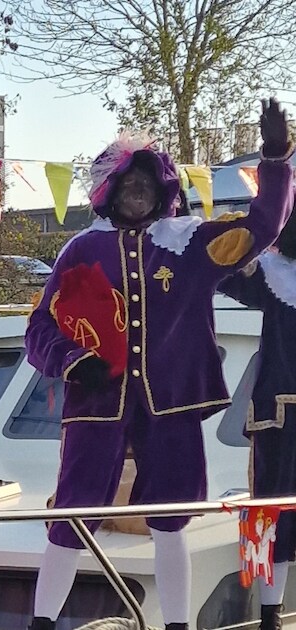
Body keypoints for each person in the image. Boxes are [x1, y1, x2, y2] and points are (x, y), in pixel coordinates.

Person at [25, 98, 294, 630]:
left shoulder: (189, 241)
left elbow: (263, 226)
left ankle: (176, 625)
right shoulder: (81, 249)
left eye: (148, 183)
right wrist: (72, 361)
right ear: (110, 190)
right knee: (71, 519)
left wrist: (276, 159)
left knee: (171, 522)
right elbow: (39, 329)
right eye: (130, 183)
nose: (139, 191)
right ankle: (40, 623)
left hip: (173, 401)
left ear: (164, 189)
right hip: (97, 404)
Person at [218, 202, 296, 630]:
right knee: (273, 512)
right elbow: (222, 272)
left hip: (279, 407)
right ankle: (271, 614)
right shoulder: (271, 274)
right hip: (279, 410)